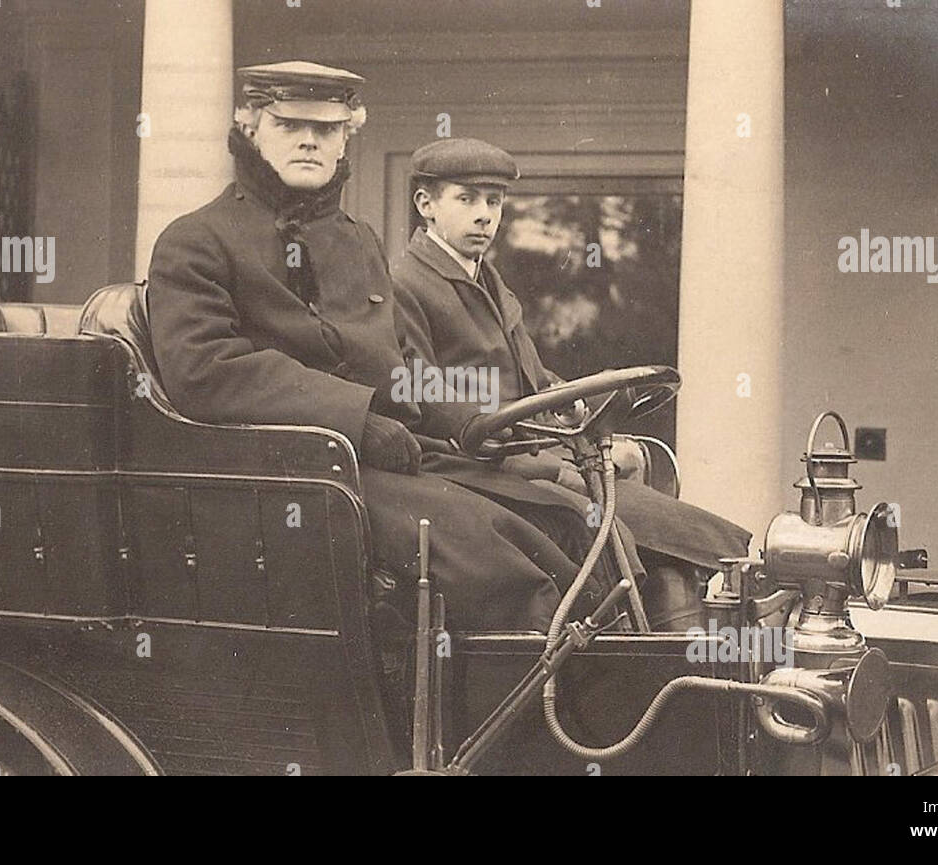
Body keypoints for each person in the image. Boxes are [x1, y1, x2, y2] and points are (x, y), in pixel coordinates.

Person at [146, 62, 627, 633]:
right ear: (249, 127)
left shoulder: (358, 240)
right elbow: (206, 371)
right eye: (289, 125)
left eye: (326, 130)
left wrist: (481, 422)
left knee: (567, 522)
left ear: (346, 136)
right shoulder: (196, 240)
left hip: (400, 459)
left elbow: (400, 368)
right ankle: (536, 714)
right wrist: (358, 420)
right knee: (501, 565)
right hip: (299, 476)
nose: (309, 141)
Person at [390, 137, 752, 628]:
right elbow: (424, 397)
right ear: (425, 205)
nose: (484, 216)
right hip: (474, 468)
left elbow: (534, 381)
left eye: (494, 202)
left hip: (534, 456)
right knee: (616, 535)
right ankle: (651, 666)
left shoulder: (488, 282)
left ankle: (694, 663)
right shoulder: (406, 284)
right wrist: (536, 456)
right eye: (467, 199)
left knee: (694, 534)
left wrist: (578, 409)